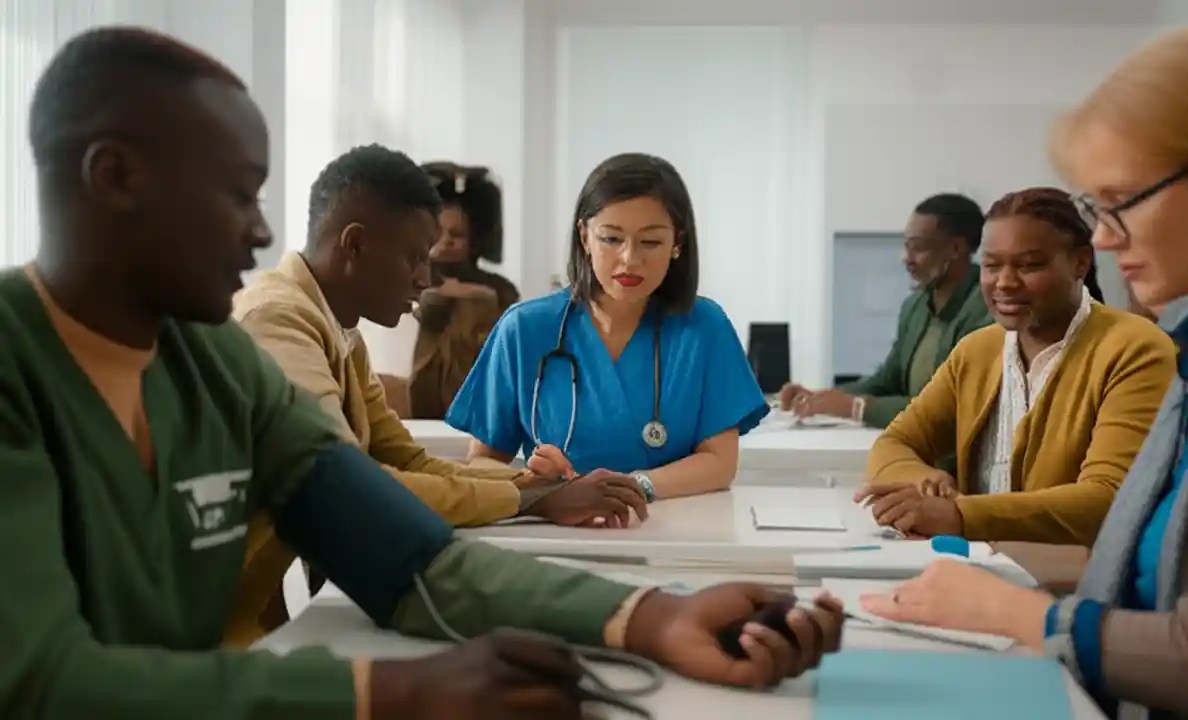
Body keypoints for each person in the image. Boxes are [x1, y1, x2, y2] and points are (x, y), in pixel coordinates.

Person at [0, 27, 845, 719]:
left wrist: (652, 620)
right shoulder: (18, 363)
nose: (260, 234)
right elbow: (44, 681)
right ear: (114, 177)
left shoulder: (217, 363)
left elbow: (412, 560)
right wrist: (388, 691)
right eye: (238, 194)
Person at [861, 25, 1188, 719]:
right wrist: (972, 572)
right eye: (1096, 209)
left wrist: (1012, 608)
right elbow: (1130, 567)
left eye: (1124, 201)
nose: (1108, 236)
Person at [231, 145, 646, 646]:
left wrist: (533, 481)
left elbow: (407, 460)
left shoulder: (339, 329)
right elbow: (353, 489)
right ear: (355, 245)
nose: (426, 278)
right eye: (414, 257)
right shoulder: (276, 319)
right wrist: (532, 498)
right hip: (214, 639)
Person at [854, 188, 1175, 545]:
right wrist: (921, 481)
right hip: (979, 568)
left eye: (1029, 265)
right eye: (992, 265)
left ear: (1080, 262)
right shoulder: (978, 350)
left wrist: (960, 515)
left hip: (1073, 582)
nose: (1004, 282)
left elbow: (1109, 498)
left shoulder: (1134, 348)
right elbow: (896, 441)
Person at [446, 153, 770, 501]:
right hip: (557, 530)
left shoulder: (705, 328)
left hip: (675, 532)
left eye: (650, 242)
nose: (630, 258)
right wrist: (536, 481)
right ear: (585, 237)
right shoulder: (524, 329)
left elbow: (719, 463)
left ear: (677, 243)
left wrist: (634, 488)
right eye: (612, 239)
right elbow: (483, 464)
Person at [779, 194, 992, 429]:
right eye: (906, 245)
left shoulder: (987, 308)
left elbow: (951, 407)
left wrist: (857, 408)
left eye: (918, 247)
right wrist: (820, 398)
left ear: (956, 248)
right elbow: (887, 380)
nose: (906, 258)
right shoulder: (915, 306)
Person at [409, 162, 519, 419]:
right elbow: (426, 303)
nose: (445, 241)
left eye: (456, 234)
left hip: (482, 392)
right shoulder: (416, 278)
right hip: (426, 395)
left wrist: (474, 295)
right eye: (438, 233)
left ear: (475, 239)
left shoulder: (499, 288)